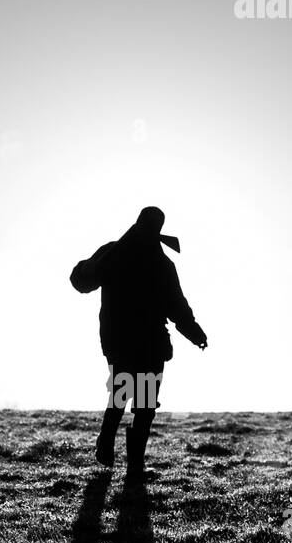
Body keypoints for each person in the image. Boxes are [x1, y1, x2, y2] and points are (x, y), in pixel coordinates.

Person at [70, 206, 208, 483]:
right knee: (141, 401)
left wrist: (194, 333)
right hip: (144, 342)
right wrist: (194, 332)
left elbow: (81, 280)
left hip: (123, 339)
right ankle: (128, 462)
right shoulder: (155, 261)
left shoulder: (118, 252)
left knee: (125, 394)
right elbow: (177, 307)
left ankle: (110, 448)